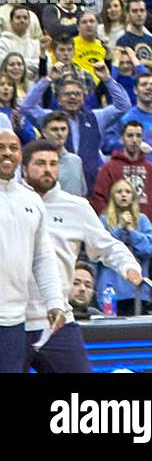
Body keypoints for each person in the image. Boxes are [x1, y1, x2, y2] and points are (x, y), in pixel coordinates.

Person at [19, 140, 141, 369]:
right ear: (24, 168)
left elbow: (107, 245)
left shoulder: (77, 207)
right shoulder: (9, 202)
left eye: (53, 164)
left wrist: (127, 265)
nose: (48, 169)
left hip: (57, 319)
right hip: (12, 320)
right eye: (40, 163)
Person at [0, 132, 65, 372]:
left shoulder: (32, 200)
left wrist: (54, 301)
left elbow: (42, 257)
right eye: (1, 147)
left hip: (15, 319)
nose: (7, 153)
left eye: (13, 148)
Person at [96, 177, 152, 315]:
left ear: (133, 196)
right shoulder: (103, 220)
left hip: (136, 289)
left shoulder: (142, 220)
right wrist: (120, 228)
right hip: (111, 287)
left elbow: (149, 249)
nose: (123, 195)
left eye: (127, 191)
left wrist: (131, 231)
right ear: (113, 196)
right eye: (119, 192)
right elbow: (100, 248)